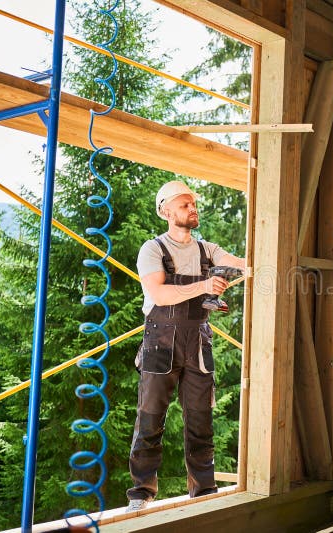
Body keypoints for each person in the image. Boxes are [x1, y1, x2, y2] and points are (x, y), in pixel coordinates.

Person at [126, 180, 245, 512]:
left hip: (197, 342)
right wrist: (206, 285)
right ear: (166, 211)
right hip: (160, 341)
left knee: (200, 419)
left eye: (193, 204)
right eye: (184, 205)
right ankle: (141, 493)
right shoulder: (153, 250)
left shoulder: (208, 250)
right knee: (150, 419)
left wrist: (258, 260)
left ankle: (204, 490)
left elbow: (239, 262)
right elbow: (160, 295)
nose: (192, 209)